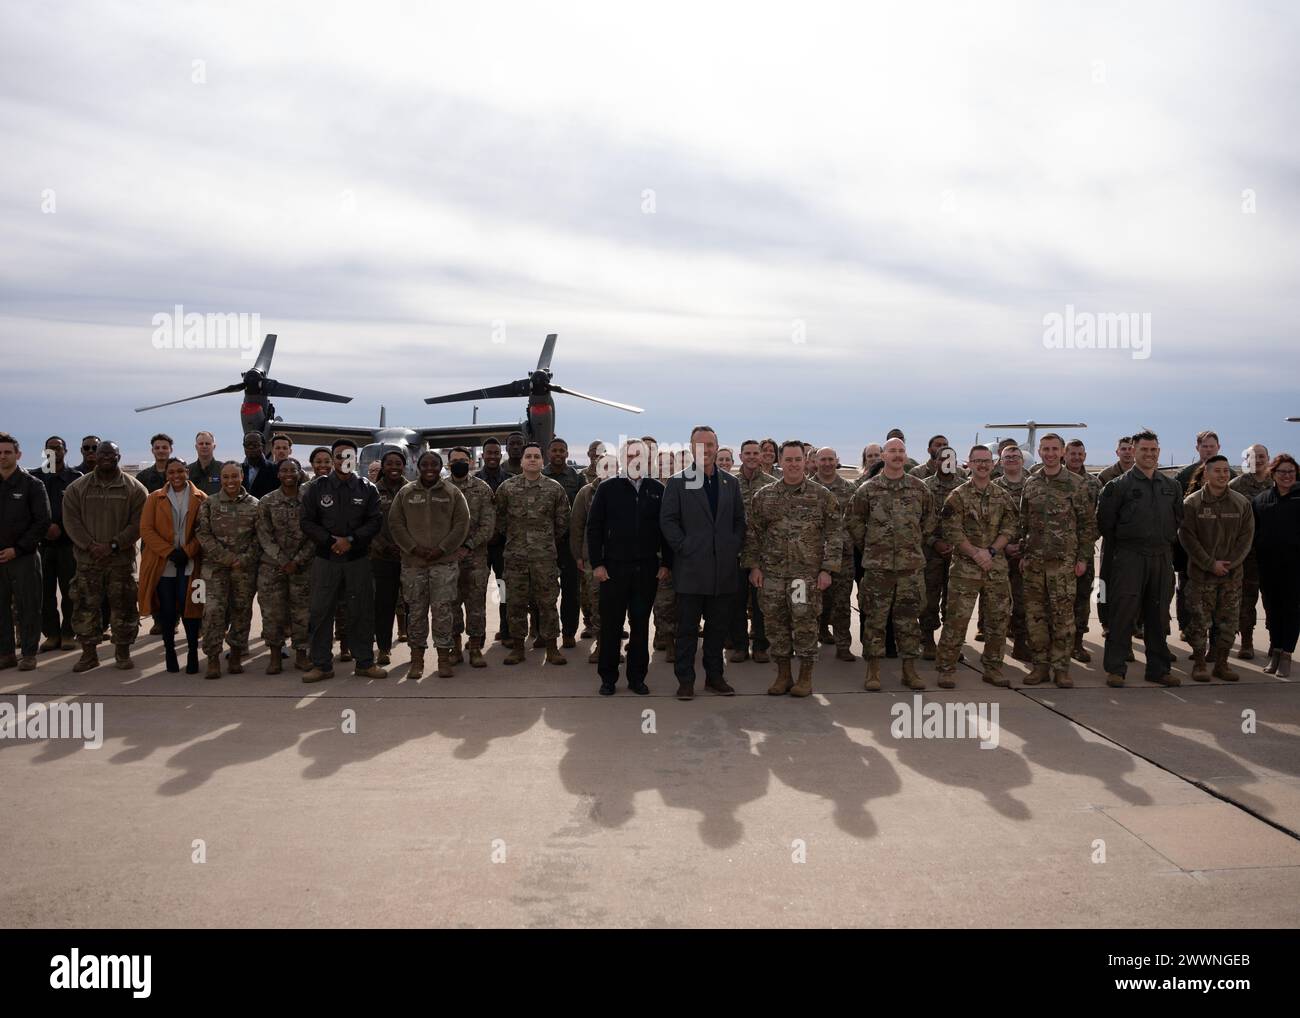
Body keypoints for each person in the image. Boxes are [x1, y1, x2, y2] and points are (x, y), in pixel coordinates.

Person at [743, 441, 841, 697]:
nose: (794, 464)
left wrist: (827, 570)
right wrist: (754, 566)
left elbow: (834, 534)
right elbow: (753, 535)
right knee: (776, 627)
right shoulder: (764, 496)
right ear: (780, 461)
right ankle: (783, 675)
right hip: (773, 576)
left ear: (804, 460)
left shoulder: (821, 496)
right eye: (788, 459)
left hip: (804, 578)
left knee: (805, 626)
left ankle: (805, 677)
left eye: (798, 459)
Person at [659, 425, 746, 700]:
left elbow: (738, 521)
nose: (705, 450)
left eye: (710, 445)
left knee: (717, 630)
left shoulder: (730, 483)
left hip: (723, 571)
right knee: (686, 630)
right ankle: (685, 681)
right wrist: (685, 547)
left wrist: (731, 546)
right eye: (700, 445)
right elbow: (668, 521)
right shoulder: (677, 482)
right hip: (691, 570)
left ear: (717, 447)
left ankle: (715, 677)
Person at [1098, 430, 1184, 687]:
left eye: (1153, 450)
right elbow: (1106, 523)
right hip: (1129, 557)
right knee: (1122, 614)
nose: (1149, 454)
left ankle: (1158, 669)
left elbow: (1178, 518)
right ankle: (1115, 668)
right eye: (1144, 449)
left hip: (1160, 556)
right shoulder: (1118, 486)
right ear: (1133, 451)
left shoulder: (1172, 486)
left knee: (1158, 615)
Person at [848, 437, 935, 691]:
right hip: (878, 569)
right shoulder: (868, 489)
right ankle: (873, 670)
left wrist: (914, 543)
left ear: (906, 456)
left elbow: (930, 521)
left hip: (910, 569)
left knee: (909, 621)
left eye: (901, 451)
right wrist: (872, 547)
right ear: (883, 456)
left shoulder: (920, 489)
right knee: (875, 620)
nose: (897, 455)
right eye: (892, 451)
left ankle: (909, 670)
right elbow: (853, 521)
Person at [587, 440, 670, 694]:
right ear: (623, 459)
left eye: (640, 455)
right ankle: (608, 678)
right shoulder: (608, 487)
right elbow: (594, 527)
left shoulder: (657, 489)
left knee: (640, 624)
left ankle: (637, 677)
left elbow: (666, 528)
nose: (635, 458)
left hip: (646, 570)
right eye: (630, 454)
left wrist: (666, 562)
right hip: (613, 569)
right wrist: (597, 563)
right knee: (611, 624)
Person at [300, 439, 387, 682]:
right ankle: (321, 665)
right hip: (326, 559)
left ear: (355, 459)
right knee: (320, 612)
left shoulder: (367, 488)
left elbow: (374, 522)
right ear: (333, 459)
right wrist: (330, 541)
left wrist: (350, 540)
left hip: (357, 559)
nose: (343, 460)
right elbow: (307, 521)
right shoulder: (316, 488)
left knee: (361, 611)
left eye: (348, 456)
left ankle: (364, 662)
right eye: (338, 456)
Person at [934, 445, 1018, 688]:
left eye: (986, 461)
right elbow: (952, 530)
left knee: (997, 620)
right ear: (969, 464)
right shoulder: (958, 496)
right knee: (957, 621)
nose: (982, 465)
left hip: (995, 567)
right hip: (965, 569)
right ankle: (947, 668)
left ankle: (993, 667)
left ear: (993, 465)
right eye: (977, 461)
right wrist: (976, 553)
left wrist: (991, 551)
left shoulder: (1003, 496)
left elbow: (1010, 528)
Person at [62, 440, 148, 671]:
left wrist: (113, 545)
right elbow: (71, 521)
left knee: (124, 608)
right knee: (85, 609)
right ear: (95, 457)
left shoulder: (135, 489)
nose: (106, 457)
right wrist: (89, 545)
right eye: (102, 454)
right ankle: (89, 654)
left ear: (119, 457)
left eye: (111, 454)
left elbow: (139, 523)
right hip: (88, 562)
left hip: (120, 562)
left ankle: (122, 652)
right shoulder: (77, 488)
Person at [1018, 434, 1096, 688]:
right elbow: (1024, 523)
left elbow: (1087, 526)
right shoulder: (1031, 483)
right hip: (1035, 564)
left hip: (1063, 565)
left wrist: (1083, 558)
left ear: (1062, 452)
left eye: (1054, 449)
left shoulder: (1076, 484)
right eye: (1045, 449)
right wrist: (1023, 554)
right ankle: (1040, 666)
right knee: (1036, 617)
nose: (1050, 453)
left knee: (1063, 618)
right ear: (1039, 452)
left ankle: (1061, 669)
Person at [389, 450, 470, 679]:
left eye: (434, 464)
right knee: (416, 612)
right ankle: (417, 660)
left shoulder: (452, 492)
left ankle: (443, 659)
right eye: (425, 464)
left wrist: (442, 549)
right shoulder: (406, 493)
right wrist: (413, 548)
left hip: (443, 564)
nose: (429, 468)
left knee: (443, 611)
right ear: (418, 466)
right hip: (414, 564)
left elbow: (461, 524)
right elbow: (396, 524)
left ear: (441, 466)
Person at [1179, 455, 1254, 681]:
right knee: (1199, 622)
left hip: (1231, 577)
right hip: (1201, 577)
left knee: (1228, 623)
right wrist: (1210, 564)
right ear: (1206, 474)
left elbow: (1246, 538)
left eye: (1225, 471)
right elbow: (1187, 537)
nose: (1222, 475)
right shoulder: (1191, 503)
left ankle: (1221, 664)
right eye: (1217, 471)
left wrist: (1230, 563)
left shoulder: (1241, 503)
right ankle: (1200, 663)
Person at [494, 443, 569, 665]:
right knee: (515, 602)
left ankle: (551, 647)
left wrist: (544, 540)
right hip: (515, 558)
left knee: (547, 602)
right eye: (529, 456)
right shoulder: (507, 488)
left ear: (542, 461)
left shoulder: (554, 489)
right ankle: (518, 647)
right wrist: (517, 539)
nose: (533, 460)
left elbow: (562, 521)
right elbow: (499, 519)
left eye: (537, 456)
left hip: (544, 558)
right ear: (522, 461)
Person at [138, 457, 206, 673]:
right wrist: (169, 552)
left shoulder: (201, 498)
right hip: (163, 564)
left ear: (187, 471)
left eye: (180, 471)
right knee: (167, 610)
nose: (176, 476)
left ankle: (193, 652)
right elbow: (146, 530)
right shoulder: (153, 499)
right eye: (171, 472)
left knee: (191, 609)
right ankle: (169, 651)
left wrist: (187, 551)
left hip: (191, 564)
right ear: (166, 475)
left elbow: (203, 530)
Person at [196, 461, 261, 678]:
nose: (230, 481)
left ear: (242, 477)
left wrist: (243, 559)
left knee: (242, 611)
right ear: (221, 479)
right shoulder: (210, 504)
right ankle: (213, 658)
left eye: (235, 476)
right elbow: (203, 535)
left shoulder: (255, 505)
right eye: (226, 477)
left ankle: (235, 654)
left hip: (244, 569)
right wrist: (226, 558)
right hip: (215, 569)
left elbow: (259, 538)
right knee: (213, 611)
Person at [256, 458, 315, 673]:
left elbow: (314, 534)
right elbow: (263, 535)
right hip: (272, 568)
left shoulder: (309, 501)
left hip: (302, 567)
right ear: (278, 474)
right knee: (273, 613)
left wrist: (297, 561)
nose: (288, 473)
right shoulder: (267, 501)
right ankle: (275, 657)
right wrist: (283, 560)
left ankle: (301, 655)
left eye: (293, 469)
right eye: (284, 470)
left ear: (300, 473)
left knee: (303, 613)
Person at [0, 433, 52, 671]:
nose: (3, 456)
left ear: (18, 455)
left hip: (24, 557)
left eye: (7, 452)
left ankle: (29, 652)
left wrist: (18, 548)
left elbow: (42, 522)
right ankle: (6, 653)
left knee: (28, 606)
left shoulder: (32, 484)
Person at [447, 446, 496, 669]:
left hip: (475, 558)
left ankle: (475, 648)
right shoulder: (441, 489)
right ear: (448, 464)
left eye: (463, 459)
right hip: (447, 558)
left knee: (476, 605)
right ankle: (454, 649)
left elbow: (488, 525)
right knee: (451, 605)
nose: (459, 463)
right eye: (455, 460)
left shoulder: (481, 488)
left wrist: (468, 546)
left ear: (471, 462)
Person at [31, 436, 80, 650]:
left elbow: (79, 511)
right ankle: (51, 634)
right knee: (45, 593)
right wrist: (45, 528)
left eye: (58, 448)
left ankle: (69, 632)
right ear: (44, 452)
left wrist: (60, 526)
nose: (54, 452)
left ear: (65, 451)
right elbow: (30, 510)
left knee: (70, 592)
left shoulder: (75, 478)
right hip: (42, 545)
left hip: (68, 545)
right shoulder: (35, 477)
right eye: (50, 448)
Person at [919, 443, 967, 658]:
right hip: (930, 553)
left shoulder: (965, 487)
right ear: (935, 461)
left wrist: (957, 544)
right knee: (929, 598)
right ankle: (927, 640)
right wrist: (933, 542)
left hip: (959, 553)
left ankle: (951, 645)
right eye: (942, 459)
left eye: (951, 459)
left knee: (954, 601)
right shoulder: (923, 487)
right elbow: (916, 522)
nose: (947, 463)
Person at [730, 439, 776, 663]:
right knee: (736, 603)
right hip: (736, 553)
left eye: (755, 453)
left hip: (762, 555)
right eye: (746, 453)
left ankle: (760, 646)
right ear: (740, 457)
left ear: (760, 457)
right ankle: (739, 645)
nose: (751, 456)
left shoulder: (771, 484)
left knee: (761, 604)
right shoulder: (729, 483)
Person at [1253, 454, 1299, 677]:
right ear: (1273, 474)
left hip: (1295, 568)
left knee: (1291, 611)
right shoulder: (1261, 500)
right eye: (1282, 471)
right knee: (1272, 612)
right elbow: (1254, 532)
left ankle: (1287, 655)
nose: (1287, 476)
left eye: (1291, 471)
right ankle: (1276, 652)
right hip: (1269, 567)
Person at [812, 446, 857, 661]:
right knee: (811, 602)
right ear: (816, 462)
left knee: (841, 603)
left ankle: (843, 645)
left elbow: (856, 521)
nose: (827, 463)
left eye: (831, 459)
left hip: (842, 556)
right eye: (823, 459)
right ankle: (811, 640)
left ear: (837, 461)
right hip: (812, 556)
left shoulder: (849, 488)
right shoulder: (808, 488)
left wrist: (847, 540)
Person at [1229, 444, 1272, 659]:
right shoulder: (1236, 485)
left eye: (1262, 456)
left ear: (1268, 458)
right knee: (1247, 599)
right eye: (1253, 457)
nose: (1258, 460)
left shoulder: (1279, 481)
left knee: (1275, 599)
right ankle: (1247, 641)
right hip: (1248, 553)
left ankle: (1277, 642)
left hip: (1275, 554)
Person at [990, 441, 1031, 660]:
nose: (1012, 460)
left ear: (1023, 461)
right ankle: (994, 648)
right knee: (998, 604)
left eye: (1016, 456)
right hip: (999, 554)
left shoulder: (1033, 485)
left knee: (1024, 602)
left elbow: (1036, 521)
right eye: (1008, 457)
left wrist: (1023, 547)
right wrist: (1003, 546)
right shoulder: (993, 487)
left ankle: (1021, 643)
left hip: (1025, 553)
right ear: (1001, 462)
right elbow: (988, 522)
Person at [543, 438, 585, 648]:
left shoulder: (577, 478)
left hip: (568, 543)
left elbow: (583, 510)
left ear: (567, 454)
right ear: (548, 453)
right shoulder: (540, 476)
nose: (558, 454)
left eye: (562, 451)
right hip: (544, 542)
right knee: (543, 590)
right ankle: (543, 632)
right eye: (554, 451)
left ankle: (569, 632)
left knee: (571, 591)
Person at [369, 450, 409, 666]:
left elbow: (419, 521)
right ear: (383, 467)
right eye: (389, 463)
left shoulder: (412, 489)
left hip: (410, 557)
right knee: (383, 605)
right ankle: (384, 648)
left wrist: (407, 547)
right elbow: (368, 523)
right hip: (382, 557)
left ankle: (415, 648)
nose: (394, 466)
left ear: (404, 466)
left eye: (398, 463)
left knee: (413, 604)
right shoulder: (372, 491)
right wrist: (383, 546)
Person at [1064, 439, 1103, 663]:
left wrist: (1086, 545)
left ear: (1085, 456)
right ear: (1064, 455)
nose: (1076, 457)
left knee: (1080, 599)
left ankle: (1077, 643)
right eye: (1072, 453)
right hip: (1058, 552)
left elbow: (1097, 519)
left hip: (1083, 551)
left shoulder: (1093, 484)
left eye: (1080, 454)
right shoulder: (1054, 479)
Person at [475, 437, 512, 643]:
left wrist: (499, 531)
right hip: (479, 547)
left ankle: (505, 631)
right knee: (477, 591)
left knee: (504, 589)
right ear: (483, 455)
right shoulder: (474, 481)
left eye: (496, 453)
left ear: (500, 455)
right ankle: (477, 636)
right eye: (488, 453)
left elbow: (512, 512)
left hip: (502, 546)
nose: (492, 456)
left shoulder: (510, 480)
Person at [240, 432, 279, 498]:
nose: (251, 447)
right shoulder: (238, 470)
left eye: (255, 444)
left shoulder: (275, 469)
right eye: (247, 444)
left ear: (263, 447)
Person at [188, 431, 222, 496]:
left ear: (214, 446)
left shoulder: (223, 469)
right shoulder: (188, 470)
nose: (204, 446)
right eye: (201, 443)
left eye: (207, 443)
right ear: (196, 447)